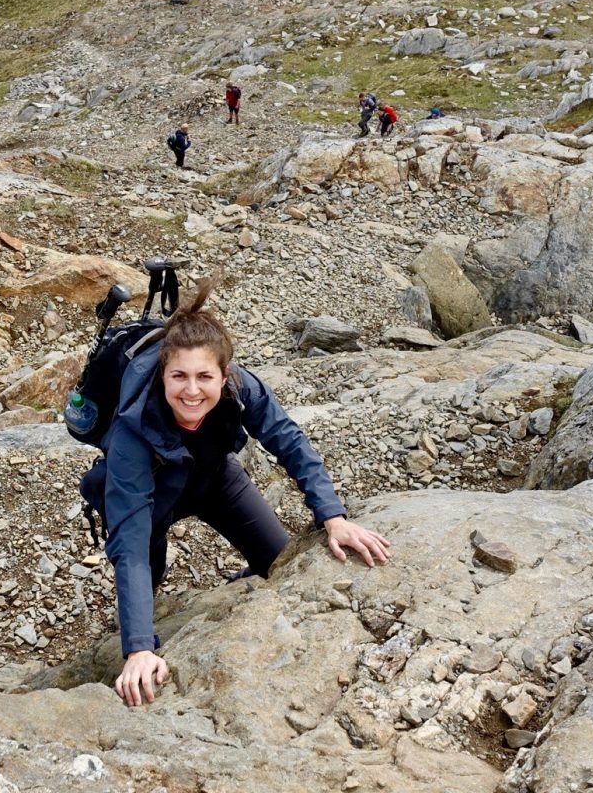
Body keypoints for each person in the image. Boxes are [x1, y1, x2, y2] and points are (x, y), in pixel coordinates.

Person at [85, 279, 391, 707]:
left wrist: (333, 517)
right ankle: (138, 633)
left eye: (204, 376)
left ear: (224, 376)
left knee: (278, 562)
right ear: (162, 374)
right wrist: (138, 648)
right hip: (150, 497)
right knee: (143, 575)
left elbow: (290, 442)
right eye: (179, 377)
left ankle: (221, 590)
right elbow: (130, 542)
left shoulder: (242, 388)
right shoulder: (132, 432)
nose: (192, 390)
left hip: (214, 479)